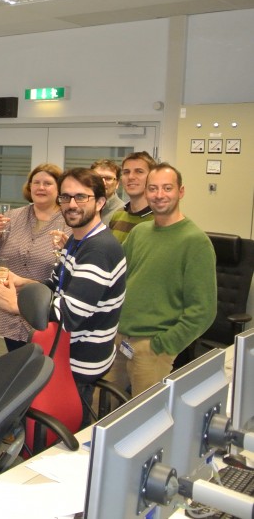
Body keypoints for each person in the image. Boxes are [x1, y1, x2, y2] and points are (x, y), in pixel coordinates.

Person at [0, 169, 126, 425]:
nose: (72, 205)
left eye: (81, 197)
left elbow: (69, 314)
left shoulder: (98, 250)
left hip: (79, 363)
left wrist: (15, 305)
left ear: (100, 202)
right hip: (65, 354)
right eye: (66, 197)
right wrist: (22, 282)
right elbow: (55, 285)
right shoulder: (77, 240)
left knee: (65, 437)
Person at [106, 163, 217, 397]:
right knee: (100, 406)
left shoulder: (195, 241)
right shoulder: (140, 232)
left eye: (167, 188)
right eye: (153, 188)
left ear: (181, 192)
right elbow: (116, 277)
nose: (159, 195)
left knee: (143, 418)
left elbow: (203, 311)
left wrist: (163, 346)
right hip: (120, 338)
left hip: (152, 346)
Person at [0, 163, 70, 351]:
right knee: (16, 362)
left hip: (44, 310)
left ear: (59, 188)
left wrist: (67, 248)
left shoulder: (68, 222)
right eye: (36, 182)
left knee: (42, 364)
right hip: (7, 306)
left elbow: (73, 265)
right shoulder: (14, 216)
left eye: (47, 183)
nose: (40, 187)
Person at [108, 151, 155, 244]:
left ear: (152, 177)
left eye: (139, 171)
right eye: (126, 172)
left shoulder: (159, 219)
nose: (131, 177)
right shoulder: (118, 215)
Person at [90, 159, 122, 226]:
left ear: (117, 184)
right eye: (97, 177)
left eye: (108, 178)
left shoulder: (123, 212)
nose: (103, 183)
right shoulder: (81, 207)